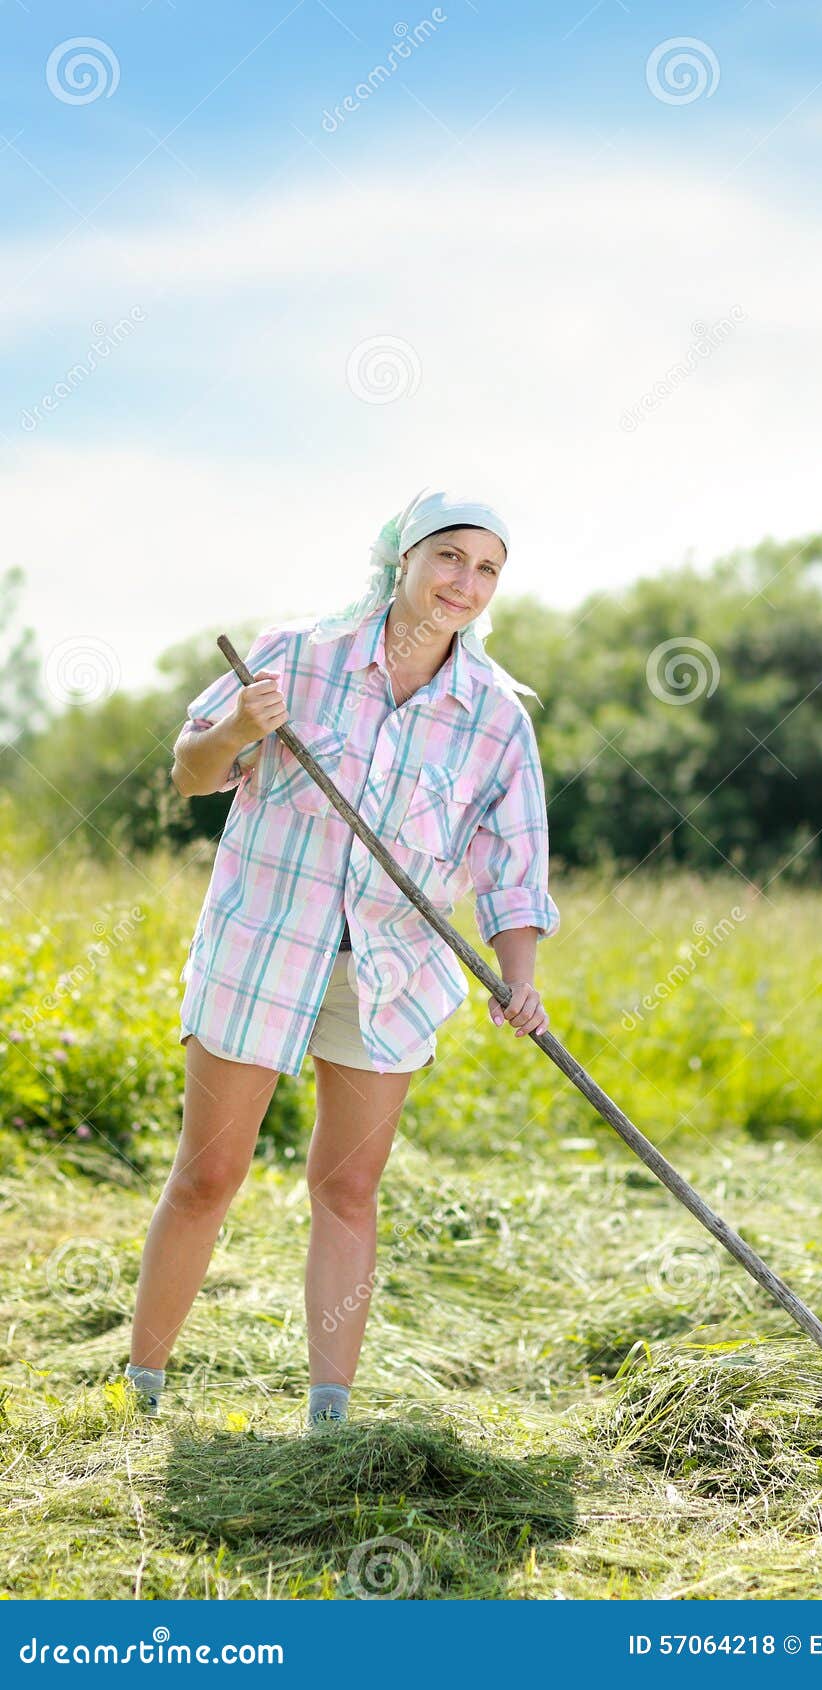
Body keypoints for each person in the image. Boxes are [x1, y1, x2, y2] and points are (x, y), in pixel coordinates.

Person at [122, 488, 560, 1430]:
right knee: (209, 1174)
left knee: (348, 1185)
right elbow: (191, 773)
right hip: (263, 949)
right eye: (449, 557)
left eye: (487, 569)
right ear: (401, 558)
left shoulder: (494, 718)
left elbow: (515, 870)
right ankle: (141, 1390)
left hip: (389, 977)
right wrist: (241, 727)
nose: (465, 583)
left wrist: (519, 980)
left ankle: (329, 1419)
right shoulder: (298, 655)